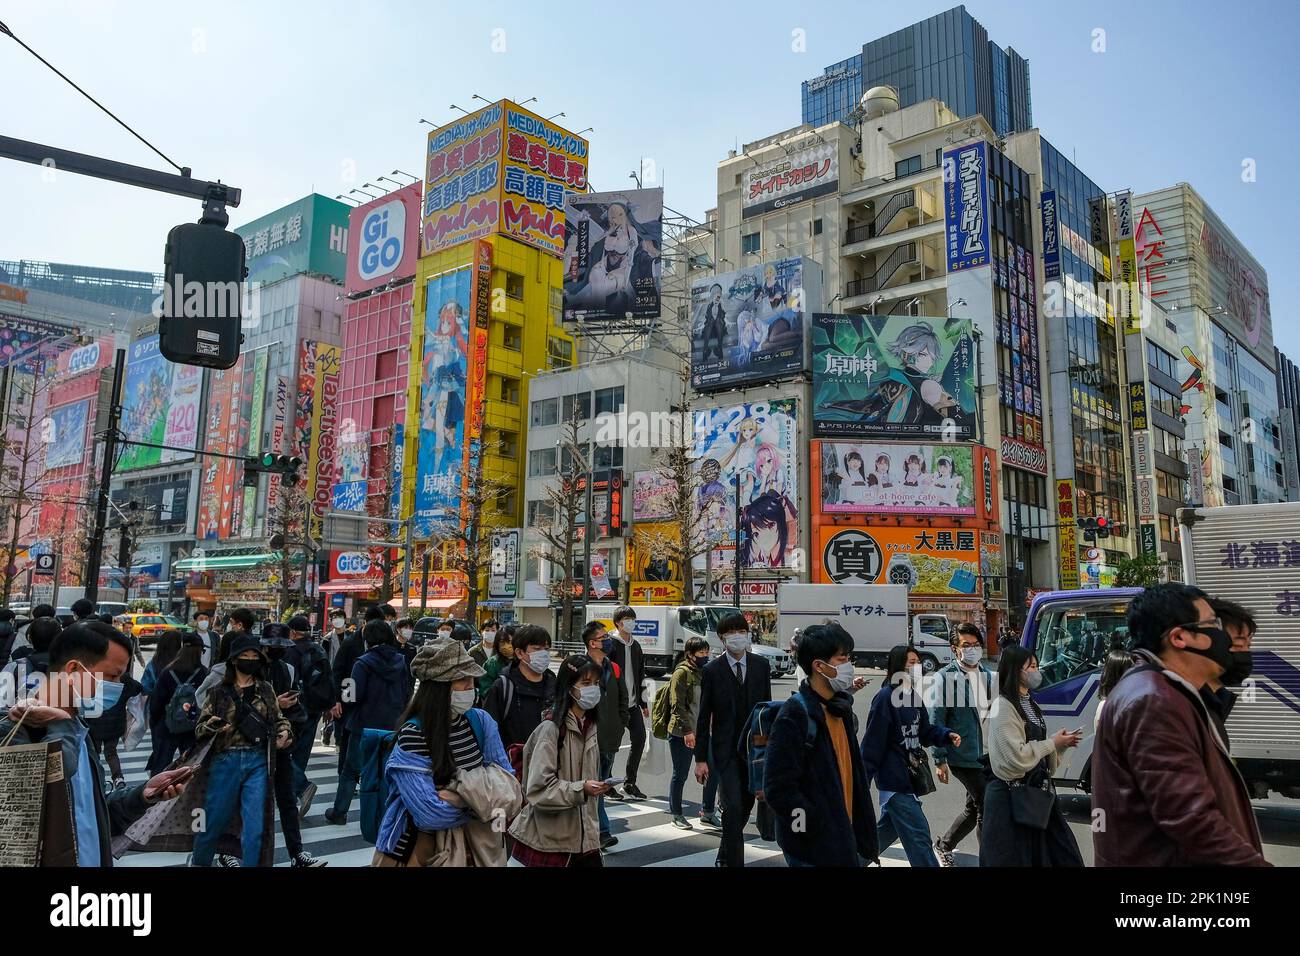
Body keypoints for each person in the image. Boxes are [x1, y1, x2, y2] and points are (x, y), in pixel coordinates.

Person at [1091, 583, 1267, 867]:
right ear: (1180, 637)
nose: (1223, 636)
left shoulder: (1168, 692)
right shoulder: (1154, 700)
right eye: (1213, 624)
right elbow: (1191, 819)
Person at [0, 620, 192, 866]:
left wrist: (142, 795)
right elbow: (43, 798)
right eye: (112, 675)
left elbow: (90, 813)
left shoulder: (79, 730)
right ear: (73, 670)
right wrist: (62, 723)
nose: (118, 686)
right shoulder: (16, 732)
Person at [374, 640, 516, 866]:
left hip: (480, 848)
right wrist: (484, 799)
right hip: (426, 849)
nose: (472, 686)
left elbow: (510, 788)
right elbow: (429, 815)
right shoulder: (414, 734)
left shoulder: (481, 722)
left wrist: (458, 796)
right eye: (462, 680)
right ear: (438, 687)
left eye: (472, 678)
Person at [764, 623, 879, 867]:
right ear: (819, 666)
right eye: (842, 658)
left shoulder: (839, 709)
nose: (849, 665)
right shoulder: (795, 714)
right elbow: (778, 789)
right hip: (814, 849)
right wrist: (811, 827)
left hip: (842, 837)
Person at [192, 634, 292, 867]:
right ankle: (199, 862)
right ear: (234, 660)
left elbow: (279, 719)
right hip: (225, 760)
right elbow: (199, 728)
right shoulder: (218, 692)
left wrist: (285, 733)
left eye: (254, 656)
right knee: (212, 823)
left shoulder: (266, 690)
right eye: (244, 656)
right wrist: (214, 725)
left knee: (255, 827)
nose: (250, 660)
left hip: (258, 760)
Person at [980, 644, 1084, 867]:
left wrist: (1060, 745)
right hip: (1010, 801)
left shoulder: (1031, 705)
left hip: (1034, 797)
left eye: (1037, 666)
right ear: (1016, 670)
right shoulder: (1003, 706)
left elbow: (1042, 762)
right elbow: (1015, 759)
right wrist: (1051, 743)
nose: (1037, 672)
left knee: (1060, 854)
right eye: (1032, 667)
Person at [860, 645, 958, 867]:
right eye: (911, 663)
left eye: (917, 662)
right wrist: (861, 784)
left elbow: (925, 732)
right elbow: (871, 746)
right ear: (897, 666)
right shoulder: (885, 698)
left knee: (885, 833)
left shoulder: (912, 696)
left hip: (908, 778)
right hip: (894, 780)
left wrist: (946, 735)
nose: (917, 667)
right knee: (920, 836)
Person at [508, 654, 608, 866]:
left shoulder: (589, 726)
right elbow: (538, 790)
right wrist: (582, 789)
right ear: (569, 687)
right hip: (552, 842)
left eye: (596, 683)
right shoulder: (551, 730)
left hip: (585, 840)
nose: (593, 689)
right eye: (586, 683)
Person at [694, 611, 771, 867]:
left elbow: (766, 711)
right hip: (724, 750)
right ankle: (734, 863)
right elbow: (704, 717)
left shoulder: (761, 666)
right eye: (731, 633)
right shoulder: (713, 670)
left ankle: (724, 854)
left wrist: (768, 751)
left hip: (755, 750)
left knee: (745, 807)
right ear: (722, 638)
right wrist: (701, 759)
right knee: (733, 808)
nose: (738, 636)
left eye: (741, 631)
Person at [326, 620, 413, 824]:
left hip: (363, 725)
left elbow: (352, 696)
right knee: (383, 772)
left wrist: (344, 695)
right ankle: (382, 814)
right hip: (392, 724)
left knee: (351, 771)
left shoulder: (363, 663)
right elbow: (407, 692)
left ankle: (339, 812)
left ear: (368, 640)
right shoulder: (401, 661)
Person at [930, 623, 996, 866]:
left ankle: (944, 845)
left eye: (976, 645)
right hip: (961, 754)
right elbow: (936, 719)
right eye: (966, 646)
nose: (972, 650)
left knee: (974, 806)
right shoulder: (945, 677)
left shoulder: (988, 676)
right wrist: (939, 759)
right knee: (986, 804)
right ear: (954, 649)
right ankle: (988, 858)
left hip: (985, 755)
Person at [259, 623, 325, 866]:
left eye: (281, 646)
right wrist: (275, 704)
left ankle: (297, 852)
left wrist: (288, 733)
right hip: (251, 744)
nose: (276, 650)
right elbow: (240, 708)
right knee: (248, 801)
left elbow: (295, 710)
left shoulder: (286, 669)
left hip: (281, 743)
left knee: (286, 800)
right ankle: (231, 852)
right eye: (272, 646)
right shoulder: (248, 669)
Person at [581, 620, 629, 848]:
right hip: (587, 737)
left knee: (601, 784)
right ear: (592, 643)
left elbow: (623, 698)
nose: (608, 641)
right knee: (596, 785)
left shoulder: (612, 666)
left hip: (610, 736)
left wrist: (621, 724)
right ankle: (601, 831)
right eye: (603, 638)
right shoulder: (579, 666)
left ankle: (597, 831)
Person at [482, 624, 557, 755]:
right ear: (520, 653)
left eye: (546, 649)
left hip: (549, 763)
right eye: (537, 649)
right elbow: (490, 734)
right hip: (513, 766)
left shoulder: (554, 684)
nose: (544, 654)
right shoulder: (503, 687)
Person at [283, 614, 332, 812]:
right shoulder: (319, 649)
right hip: (316, 707)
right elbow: (329, 678)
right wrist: (329, 705)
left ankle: (302, 787)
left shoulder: (291, 651)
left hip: (296, 708)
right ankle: (295, 794)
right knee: (302, 753)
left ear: (293, 633)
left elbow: (287, 680)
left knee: (284, 752)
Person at [85, 641, 144, 791]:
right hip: (115, 723)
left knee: (95, 753)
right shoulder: (122, 677)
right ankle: (118, 778)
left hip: (94, 723)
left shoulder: (93, 675)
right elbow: (138, 688)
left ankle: (98, 780)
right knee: (111, 752)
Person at [147, 632, 207, 775]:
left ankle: (156, 794)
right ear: (199, 652)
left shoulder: (168, 672)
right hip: (191, 726)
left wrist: (155, 723)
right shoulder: (203, 674)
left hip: (167, 725)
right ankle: (185, 795)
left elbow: (157, 702)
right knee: (190, 766)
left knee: (161, 765)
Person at [667, 636, 709, 830]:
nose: (705, 656)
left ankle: (708, 812)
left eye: (706, 652)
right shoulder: (681, 673)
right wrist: (687, 731)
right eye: (701, 653)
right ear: (690, 654)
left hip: (702, 732)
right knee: (680, 774)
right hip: (682, 732)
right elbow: (677, 705)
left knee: (712, 771)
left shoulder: (705, 672)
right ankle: (676, 813)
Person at [607, 606, 649, 800]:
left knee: (639, 739)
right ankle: (606, 783)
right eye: (626, 619)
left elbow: (641, 673)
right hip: (614, 705)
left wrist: (643, 702)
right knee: (610, 744)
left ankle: (629, 782)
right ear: (618, 622)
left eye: (632, 618)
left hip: (633, 704)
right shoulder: (609, 643)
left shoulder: (636, 645)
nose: (630, 622)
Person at [1203, 597, 1257, 748]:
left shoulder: (1213, 701)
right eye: (1238, 645)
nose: (1246, 654)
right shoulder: (1183, 707)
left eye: (1248, 646)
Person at [328, 607, 375, 778]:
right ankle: (345, 775)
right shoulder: (350, 642)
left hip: (368, 701)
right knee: (347, 740)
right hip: (348, 696)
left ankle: (358, 774)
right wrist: (336, 699)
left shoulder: (379, 642)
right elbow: (337, 670)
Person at [2, 615, 60, 705]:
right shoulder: (73, 666)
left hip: (23, 717)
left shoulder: (15, 666)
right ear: (60, 639)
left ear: (29, 638)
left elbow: (2, 703)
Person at [477, 623, 516, 697]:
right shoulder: (492, 663)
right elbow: (485, 689)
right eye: (502, 642)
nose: (506, 646)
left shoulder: (523, 661)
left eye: (509, 642)